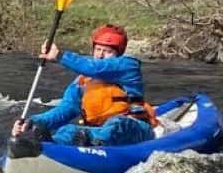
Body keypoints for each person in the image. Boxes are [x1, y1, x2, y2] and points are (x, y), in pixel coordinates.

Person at [10, 24, 157, 148]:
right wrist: (34, 122)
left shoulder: (128, 66)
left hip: (134, 129)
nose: (100, 55)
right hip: (94, 134)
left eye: (107, 52)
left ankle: (87, 141)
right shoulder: (82, 82)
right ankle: (47, 146)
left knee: (117, 124)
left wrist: (60, 56)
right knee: (68, 130)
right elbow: (65, 110)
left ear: (118, 54)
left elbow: (94, 67)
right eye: (98, 50)